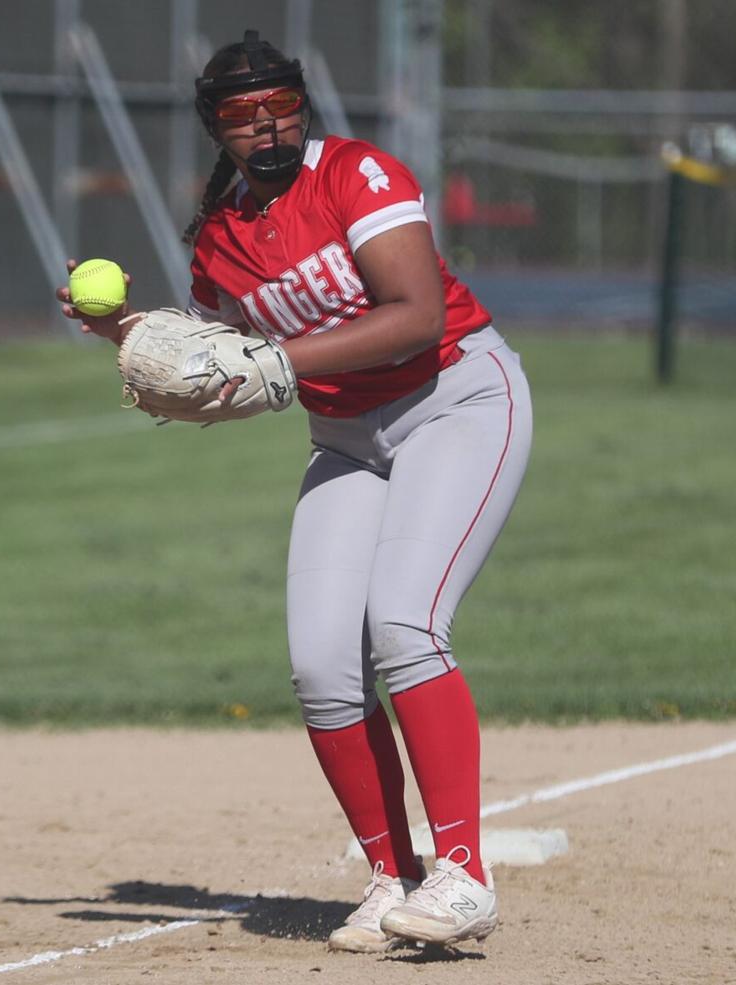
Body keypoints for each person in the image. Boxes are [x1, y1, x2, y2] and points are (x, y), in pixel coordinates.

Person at [56, 30, 532, 953]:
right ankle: (392, 879)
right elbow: (216, 367)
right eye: (242, 112)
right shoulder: (221, 245)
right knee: (321, 665)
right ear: (215, 128)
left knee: (404, 622)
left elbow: (415, 316)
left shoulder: (357, 175)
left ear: (302, 107)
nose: (266, 123)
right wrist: (124, 329)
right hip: (348, 439)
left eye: (281, 103)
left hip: (456, 400)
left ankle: (463, 874)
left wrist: (274, 359)